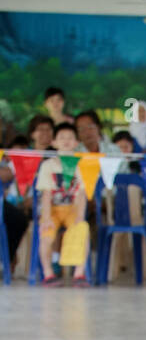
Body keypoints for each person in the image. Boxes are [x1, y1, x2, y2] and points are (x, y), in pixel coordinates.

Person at [35, 121, 89, 285]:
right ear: (54, 142)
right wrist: (46, 218)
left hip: (72, 209)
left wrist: (80, 216)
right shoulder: (47, 165)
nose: (66, 141)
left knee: (82, 230)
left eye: (70, 138)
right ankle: (48, 273)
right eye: (62, 138)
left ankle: (79, 273)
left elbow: (82, 193)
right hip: (52, 210)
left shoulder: (82, 165)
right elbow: (46, 194)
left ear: (76, 143)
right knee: (46, 235)